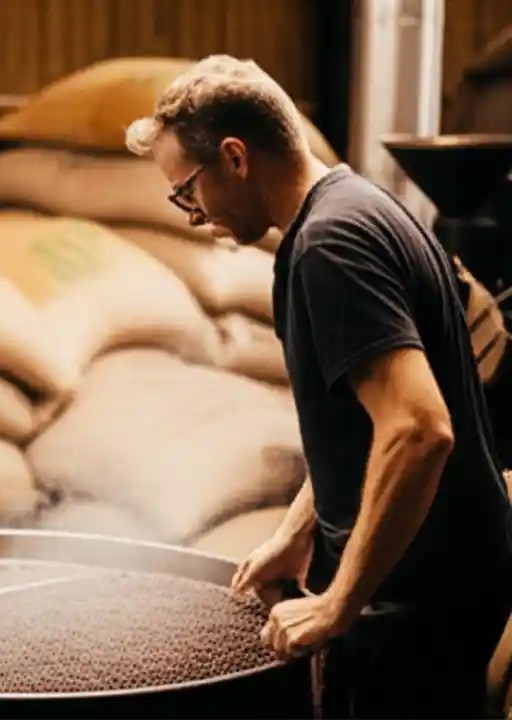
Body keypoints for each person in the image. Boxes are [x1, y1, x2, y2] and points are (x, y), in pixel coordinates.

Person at [124, 54, 512, 718]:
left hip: (416, 599)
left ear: (236, 158)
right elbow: (361, 423)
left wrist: (338, 603)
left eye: (187, 189)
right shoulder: (357, 205)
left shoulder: (330, 249)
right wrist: (298, 531)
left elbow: (419, 431)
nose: (189, 213)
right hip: (442, 578)